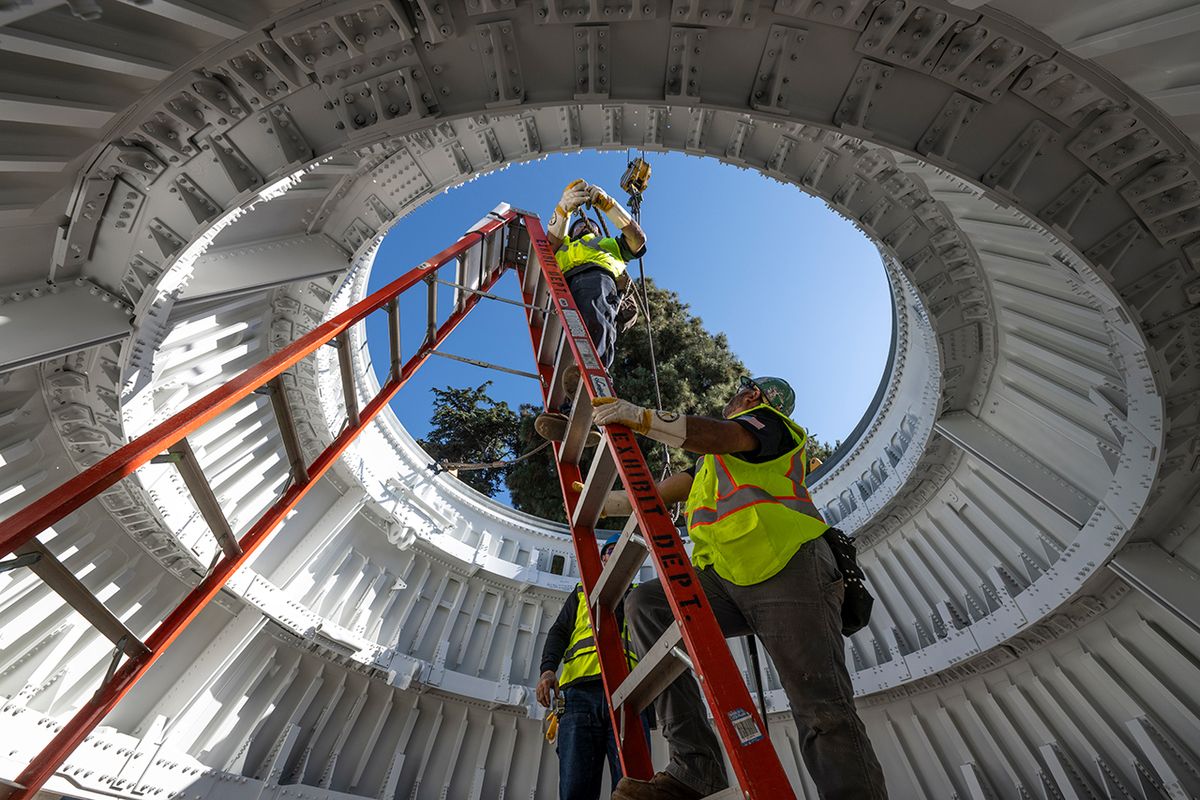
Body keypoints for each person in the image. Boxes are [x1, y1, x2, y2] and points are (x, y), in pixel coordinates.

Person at [589, 376, 889, 800]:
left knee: (821, 708)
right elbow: (666, 489)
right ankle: (696, 769)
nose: (734, 396)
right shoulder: (714, 463)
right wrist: (607, 502)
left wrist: (644, 419)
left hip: (788, 564)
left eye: (742, 390)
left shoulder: (772, 425)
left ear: (753, 396)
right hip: (725, 577)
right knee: (648, 604)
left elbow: (724, 435)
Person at [535, 180, 647, 443]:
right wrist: (563, 210)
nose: (585, 225)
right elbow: (549, 243)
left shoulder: (611, 245)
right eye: (578, 225)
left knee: (596, 322)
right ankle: (571, 413)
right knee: (569, 347)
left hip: (598, 280)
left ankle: (593, 379)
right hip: (565, 291)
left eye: (591, 225)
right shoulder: (563, 248)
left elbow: (638, 239)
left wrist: (608, 205)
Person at [537, 534, 643, 800]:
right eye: (609, 551)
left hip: (628, 696)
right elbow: (559, 631)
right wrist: (548, 669)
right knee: (576, 789)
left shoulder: (641, 597)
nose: (613, 556)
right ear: (602, 558)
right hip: (579, 697)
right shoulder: (581, 592)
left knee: (633, 787)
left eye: (620, 551)